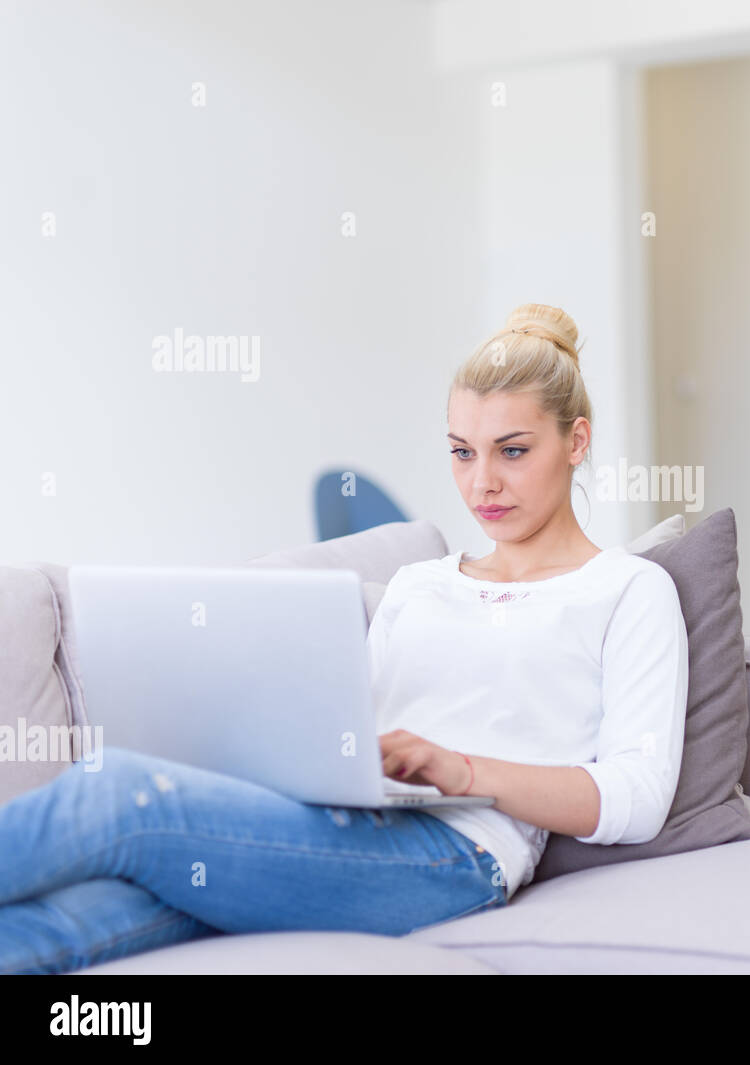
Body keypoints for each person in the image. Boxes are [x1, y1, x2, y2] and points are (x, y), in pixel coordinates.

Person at [0, 303, 690, 974]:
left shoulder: (627, 589)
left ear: (576, 440)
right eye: (461, 451)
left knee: (118, 789)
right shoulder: (418, 585)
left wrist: (466, 771)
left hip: (456, 856)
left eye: (513, 451)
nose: (482, 482)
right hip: (335, 826)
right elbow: (350, 731)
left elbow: (635, 797)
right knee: (68, 922)